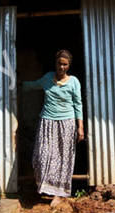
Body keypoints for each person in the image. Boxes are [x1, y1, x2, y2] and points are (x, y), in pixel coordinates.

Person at [25, 49, 84, 203]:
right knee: (41, 155)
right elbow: (32, 85)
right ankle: (46, 188)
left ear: (69, 65)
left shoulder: (73, 82)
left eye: (65, 64)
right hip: (47, 121)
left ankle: (58, 194)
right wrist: (17, 83)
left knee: (63, 158)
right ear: (55, 63)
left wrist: (80, 127)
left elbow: (78, 104)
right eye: (59, 63)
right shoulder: (48, 78)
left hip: (67, 123)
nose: (62, 67)